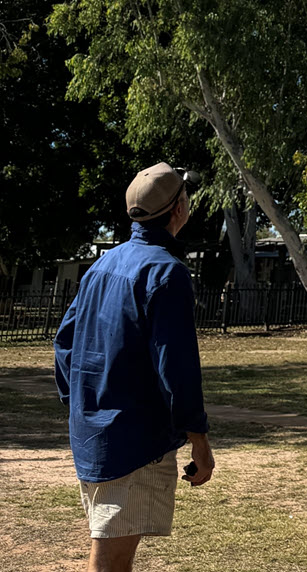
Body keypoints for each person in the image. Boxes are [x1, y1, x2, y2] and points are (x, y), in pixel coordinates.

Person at [55, 162, 216, 572]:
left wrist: (80, 407)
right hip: (134, 440)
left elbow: (64, 345)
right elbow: (176, 365)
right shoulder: (166, 272)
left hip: (94, 434)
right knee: (110, 560)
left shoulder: (102, 266)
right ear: (178, 209)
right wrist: (198, 437)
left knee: (111, 550)